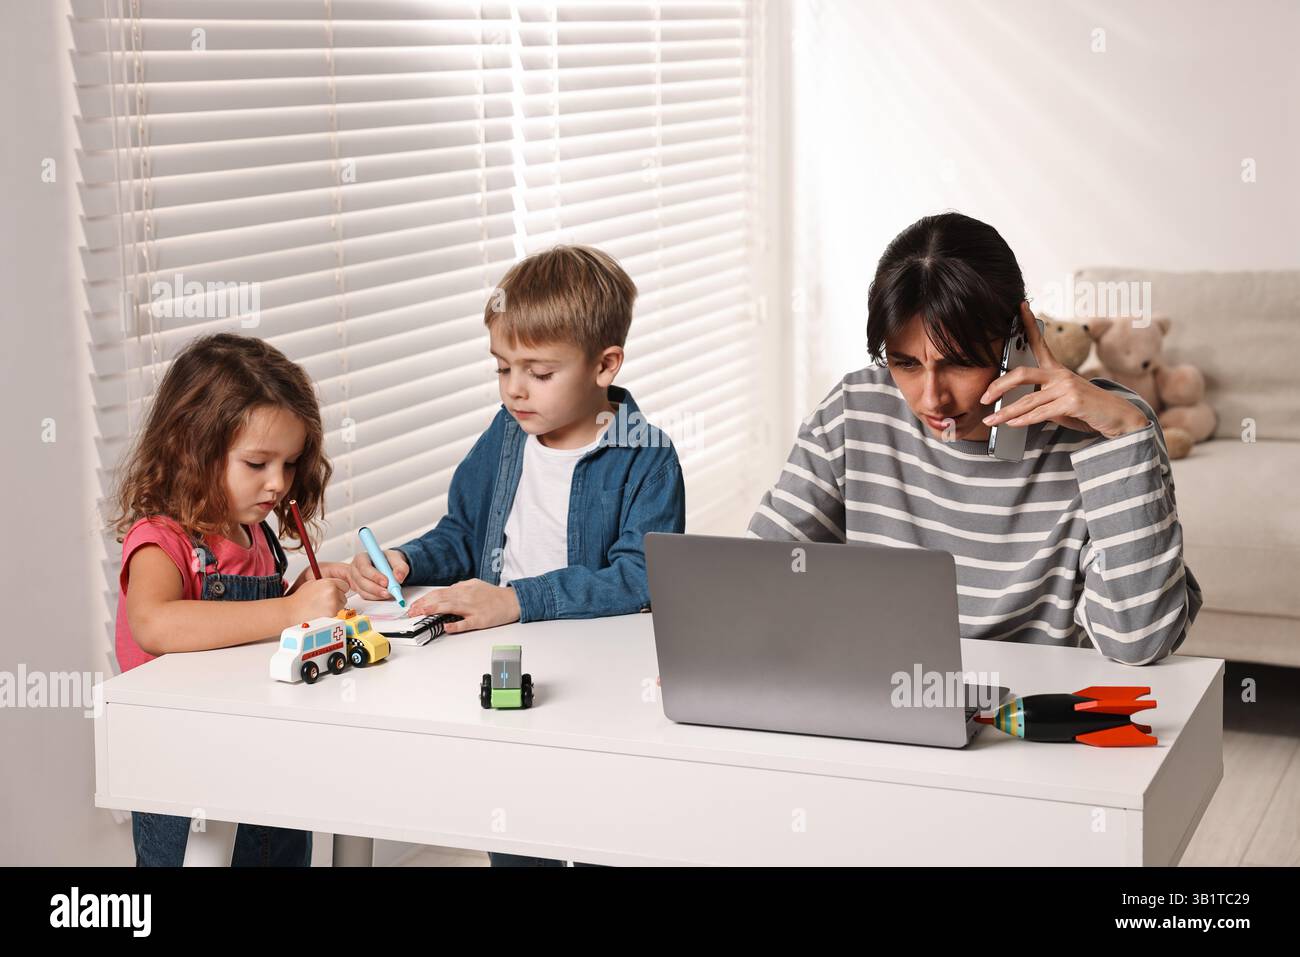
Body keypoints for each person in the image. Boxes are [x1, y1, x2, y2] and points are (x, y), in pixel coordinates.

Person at [348, 245, 686, 865]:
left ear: (605, 365)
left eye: (539, 372)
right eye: (502, 368)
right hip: (512, 658)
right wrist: (408, 559)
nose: (514, 389)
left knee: (600, 820)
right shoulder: (507, 435)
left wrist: (515, 600)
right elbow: (465, 533)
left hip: (600, 676)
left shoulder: (647, 457)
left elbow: (641, 579)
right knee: (518, 820)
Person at [749, 212, 1203, 665]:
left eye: (960, 363)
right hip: (881, 692)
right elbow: (752, 580)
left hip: (1033, 702)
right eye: (906, 363)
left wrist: (1125, 438)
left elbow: (1138, 642)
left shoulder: (1112, 429)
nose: (932, 398)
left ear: (1019, 338)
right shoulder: (854, 410)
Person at [112, 333, 353, 866]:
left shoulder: (255, 532)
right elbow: (154, 624)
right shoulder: (162, 539)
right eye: (257, 464)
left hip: (263, 756)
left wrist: (301, 598)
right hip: (185, 772)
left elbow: (246, 631)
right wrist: (287, 611)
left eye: (290, 464)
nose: (278, 484)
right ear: (192, 448)